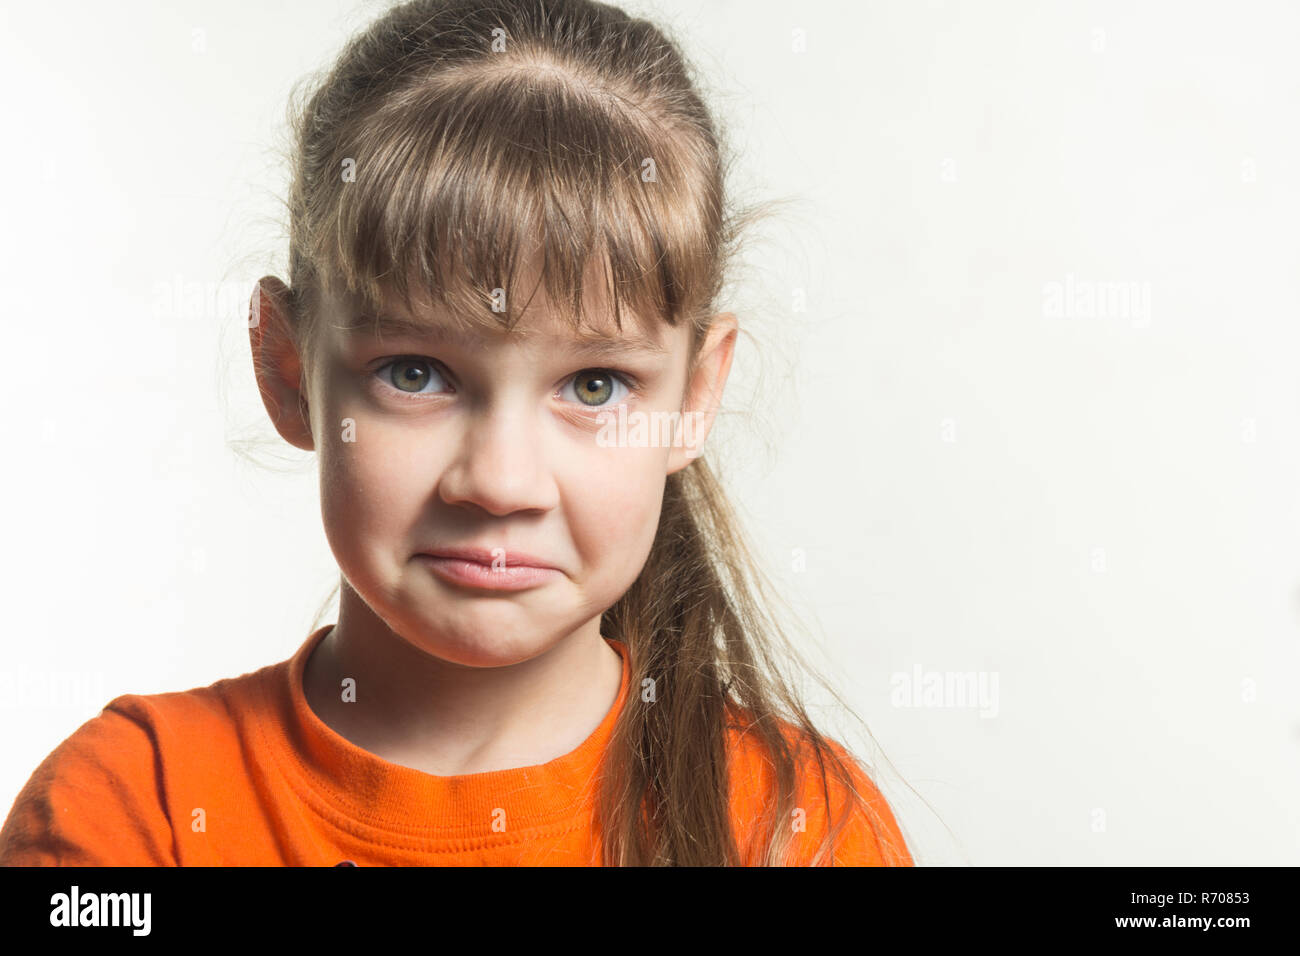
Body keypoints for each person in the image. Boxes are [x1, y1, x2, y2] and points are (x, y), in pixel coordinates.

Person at [0, 0, 913, 866]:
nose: (502, 482)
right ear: (288, 370)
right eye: (416, 374)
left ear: (696, 397)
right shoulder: (134, 808)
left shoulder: (801, 830)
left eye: (595, 385)